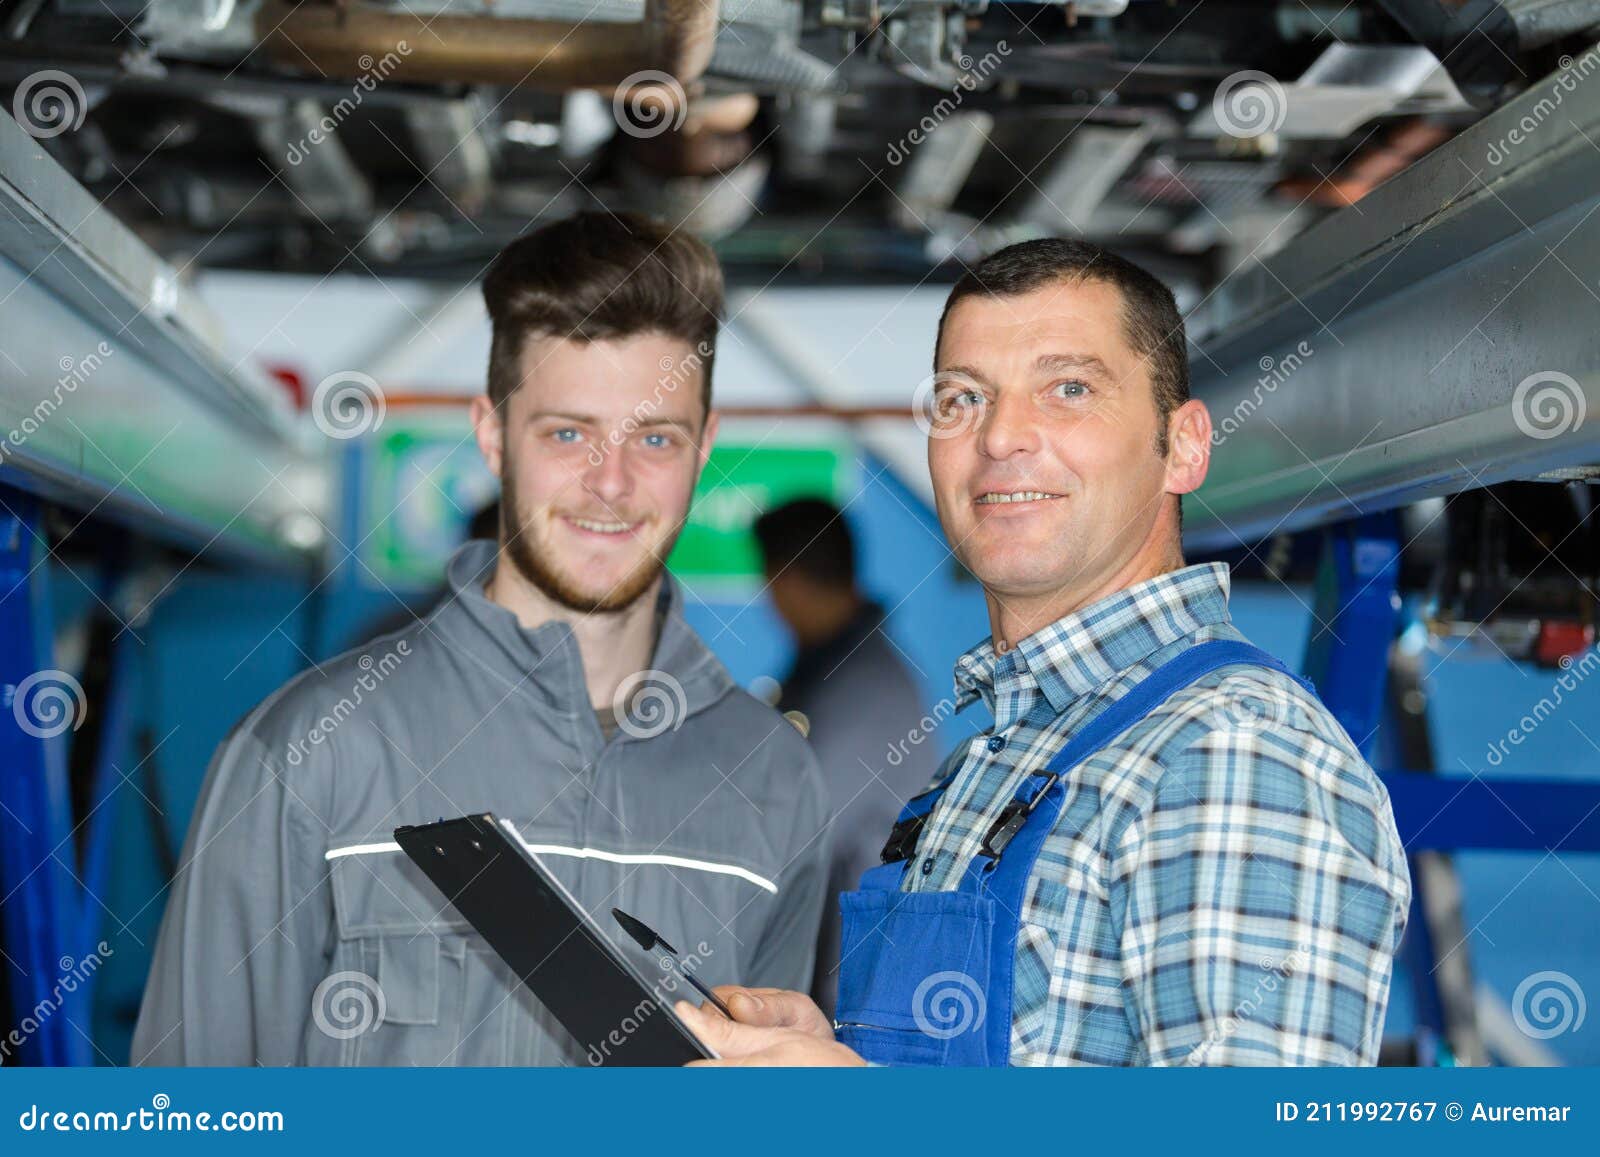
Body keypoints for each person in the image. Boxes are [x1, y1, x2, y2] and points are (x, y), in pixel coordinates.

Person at [676, 238, 1412, 1067]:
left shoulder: (1230, 753)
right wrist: (835, 1049)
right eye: (962, 398)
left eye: (1069, 389)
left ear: (1185, 445)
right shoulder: (990, 762)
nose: (1001, 438)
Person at [132, 212, 830, 1066]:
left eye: (654, 438)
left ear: (703, 447)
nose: (610, 482)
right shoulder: (311, 752)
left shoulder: (775, 782)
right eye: (568, 433)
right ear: (493, 433)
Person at [751, 498, 941, 1018]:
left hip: (852, 989)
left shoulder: (863, 688)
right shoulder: (831, 672)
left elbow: (792, 835)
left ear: (783, 580)